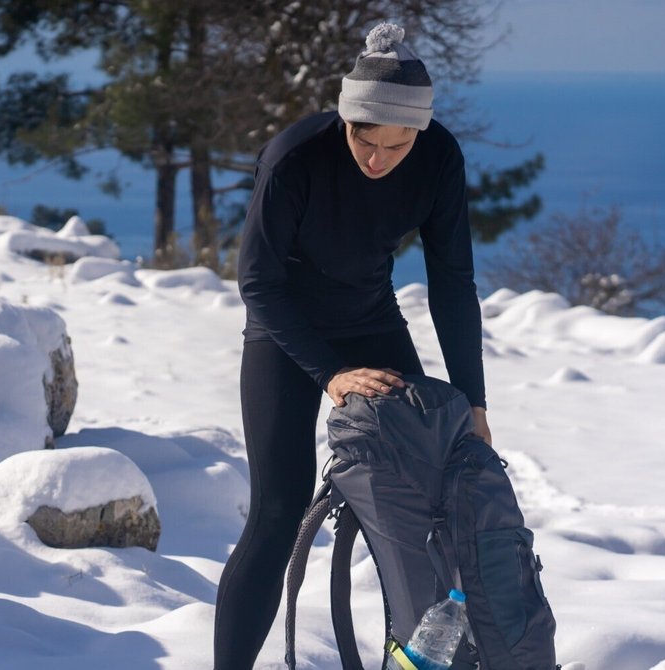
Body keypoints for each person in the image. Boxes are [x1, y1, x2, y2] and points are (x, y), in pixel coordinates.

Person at [214, 22, 490, 669]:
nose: (377, 159)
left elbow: (453, 283)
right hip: (286, 331)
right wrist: (332, 374)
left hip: (370, 319)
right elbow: (257, 279)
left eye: (395, 146)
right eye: (365, 138)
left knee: (429, 504)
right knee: (278, 512)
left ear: (417, 134)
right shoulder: (297, 155)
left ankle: (422, 659)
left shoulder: (439, 158)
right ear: (347, 119)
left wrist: (472, 403)